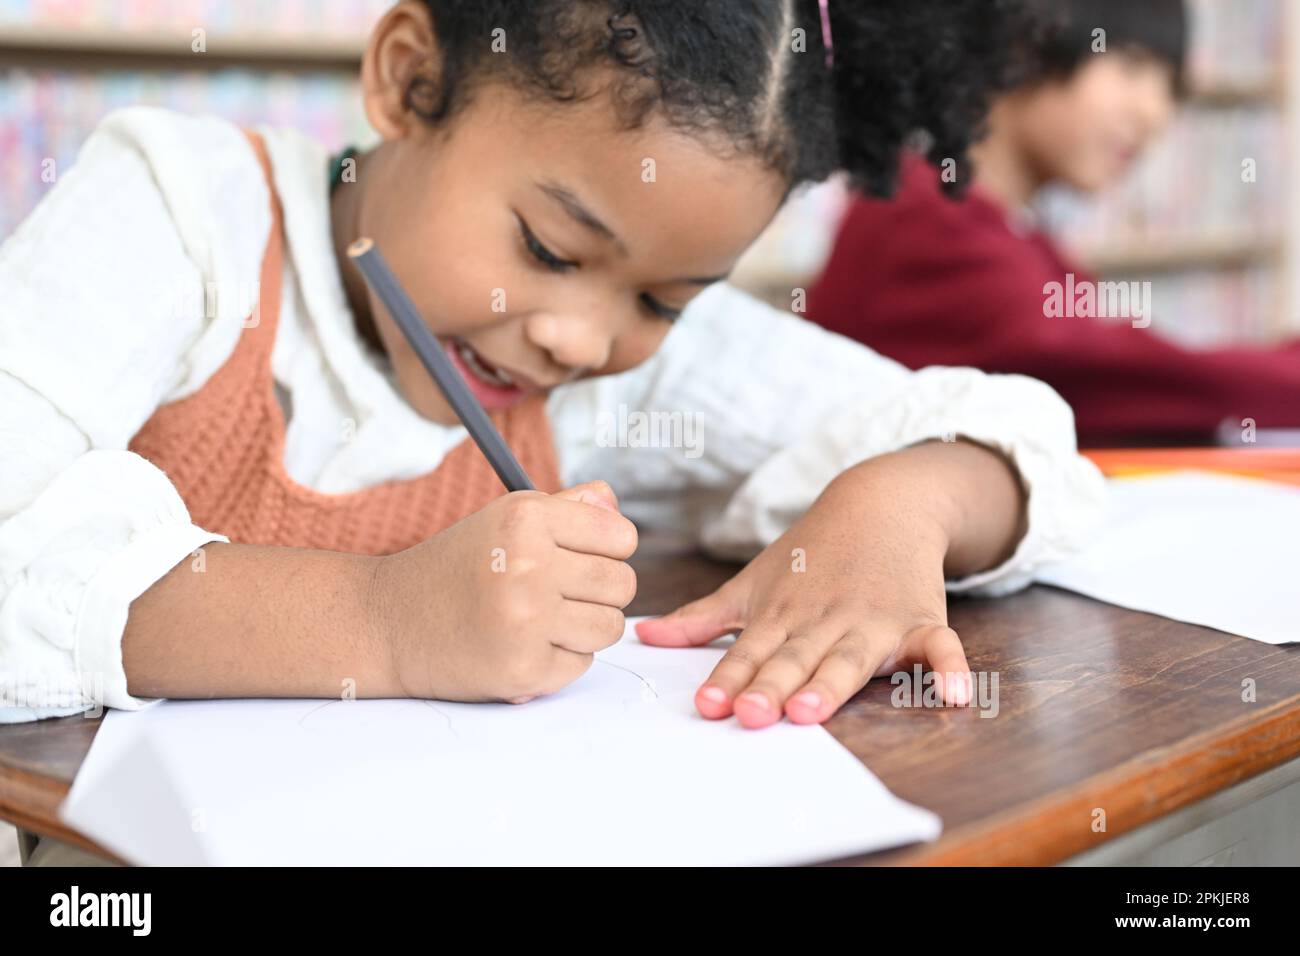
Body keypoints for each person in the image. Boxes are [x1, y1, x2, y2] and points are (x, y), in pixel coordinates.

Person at [0, 0, 1102, 735]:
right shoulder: (182, 210)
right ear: (411, 79)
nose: (580, 340)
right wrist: (382, 619)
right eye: (548, 249)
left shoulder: (622, 372)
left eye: (665, 300)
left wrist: (897, 507)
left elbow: (1020, 441)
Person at [810, 0, 1300, 447]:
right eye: (1130, 66)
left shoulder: (999, 223)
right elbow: (1124, 370)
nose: (1155, 113)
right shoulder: (925, 219)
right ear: (1027, 43)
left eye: (1171, 90)